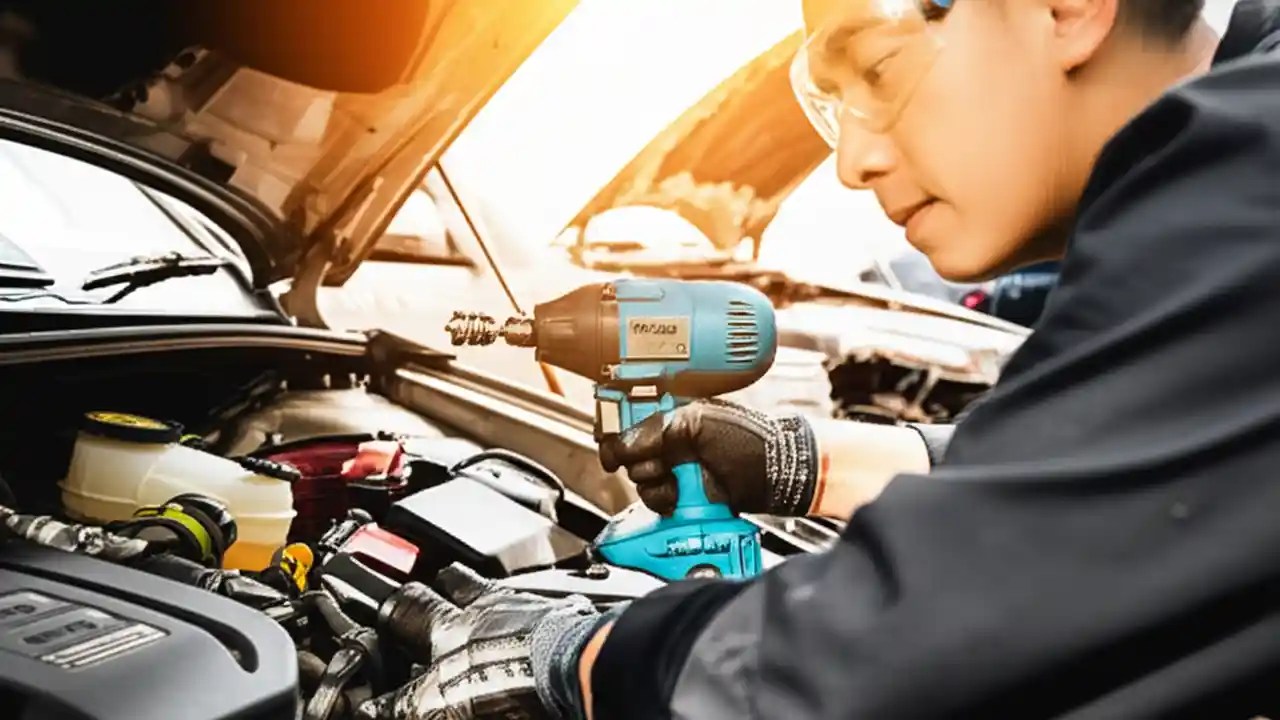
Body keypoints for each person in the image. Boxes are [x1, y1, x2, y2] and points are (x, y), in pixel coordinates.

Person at [356, 0, 1280, 717]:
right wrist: (802, 460)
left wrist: (576, 659)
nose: (851, 163)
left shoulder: (1251, 166)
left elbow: (897, 656)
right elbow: (1120, 474)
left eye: (878, 66)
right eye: (828, 103)